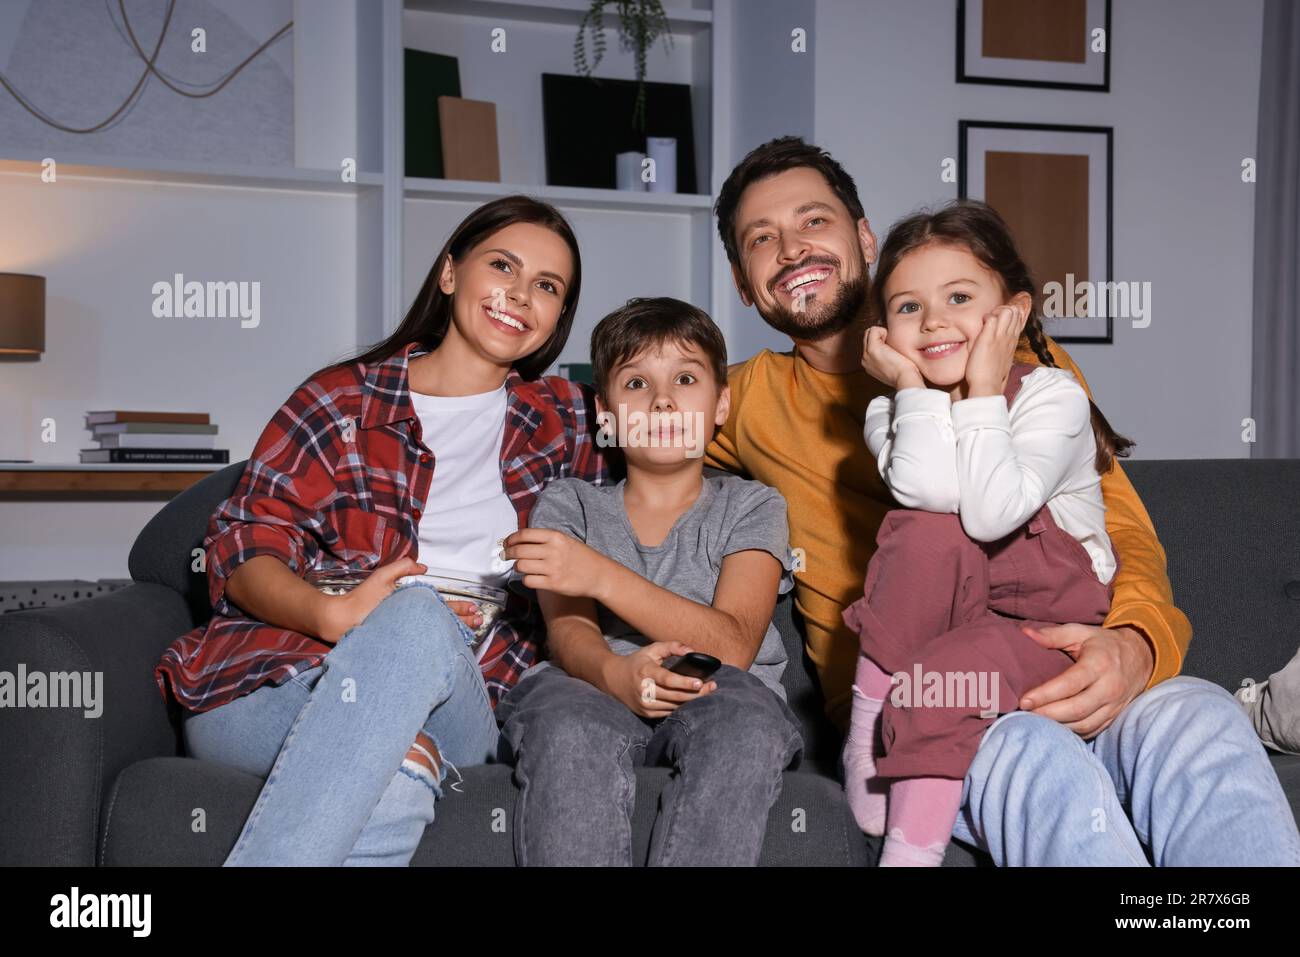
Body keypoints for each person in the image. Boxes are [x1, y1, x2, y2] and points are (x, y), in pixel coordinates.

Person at [704, 136, 1300, 865]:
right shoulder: (740, 401)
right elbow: (618, 407)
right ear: (742, 282)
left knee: (1203, 718)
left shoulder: (1012, 356)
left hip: (1071, 658)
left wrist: (1136, 646)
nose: (791, 248)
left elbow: (1119, 528)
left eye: (813, 221)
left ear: (864, 235)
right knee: (1035, 759)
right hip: (938, 706)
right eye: (761, 239)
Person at [154, 195, 614, 866]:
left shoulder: (567, 421)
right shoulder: (342, 399)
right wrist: (331, 614)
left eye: (548, 287)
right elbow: (244, 543)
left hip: (466, 699)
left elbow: (686, 395)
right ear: (450, 273)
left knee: (418, 617)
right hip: (275, 684)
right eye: (503, 266)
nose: (520, 294)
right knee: (400, 764)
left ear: (555, 321)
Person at [841, 199, 1134, 866]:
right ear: (883, 331)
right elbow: (936, 497)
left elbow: (995, 511)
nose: (934, 319)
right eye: (907, 307)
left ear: (1013, 312)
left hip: (1045, 630)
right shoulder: (892, 411)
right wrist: (913, 386)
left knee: (938, 682)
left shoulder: (1052, 397)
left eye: (960, 296)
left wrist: (979, 386)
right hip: (954, 612)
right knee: (922, 531)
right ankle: (866, 727)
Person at [496, 297, 803, 865]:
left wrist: (598, 574)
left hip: (719, 687)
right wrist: (615, 672)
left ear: (720, 404)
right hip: (587, 682)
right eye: (636, 383)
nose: (662, 400)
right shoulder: (569, 505)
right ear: (605, 411)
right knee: (564, 722)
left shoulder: (753, 505)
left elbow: (733, 645)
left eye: (685, 379)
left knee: (745, 719)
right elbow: (568, 636)